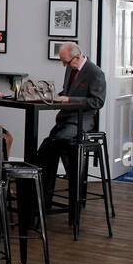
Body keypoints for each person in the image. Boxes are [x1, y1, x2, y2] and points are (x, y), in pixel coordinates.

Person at [37, 41, 107, 208]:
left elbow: (97, 101)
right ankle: (43, 198)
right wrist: (52, 96)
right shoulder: (70, 69)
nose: (64, 65)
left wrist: (70, 99)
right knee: (44, 150)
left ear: (77, 57)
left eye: (66, 62)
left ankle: (75, 194)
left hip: (82, 120)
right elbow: (67, 93)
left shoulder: (95, 73)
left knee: (57, 145)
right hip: (65, 120)